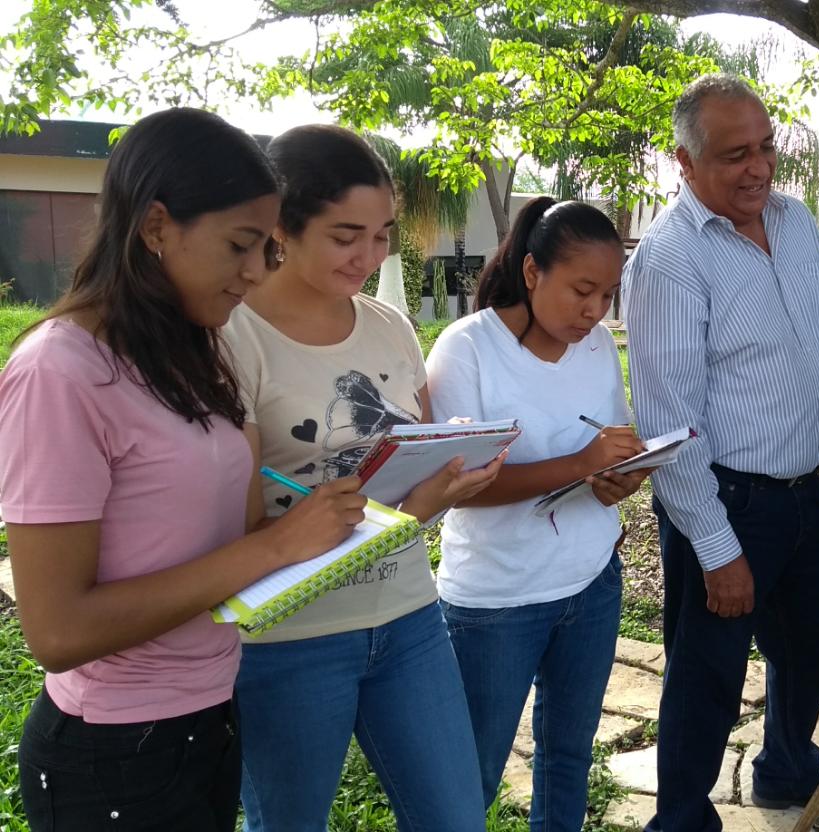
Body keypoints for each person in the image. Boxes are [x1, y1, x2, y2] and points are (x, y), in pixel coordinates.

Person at [0, 108, 367, 831]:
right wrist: (273, 547)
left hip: (209, 713)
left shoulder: (195, 351)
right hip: (111, 753)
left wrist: (354, 520)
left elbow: (216, 540)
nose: (257, 272)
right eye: (241, 245)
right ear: (157, 225)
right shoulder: (60, 372)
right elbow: (56, 629)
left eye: (267, 248)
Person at [222, 124, 501, 832]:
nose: (370, 256)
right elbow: (230, 526)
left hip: (408, 618)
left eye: (382, 234)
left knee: (456, 818)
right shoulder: (232, 337)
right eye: (346, 234)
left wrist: (440, 490)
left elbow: (414, 471)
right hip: (289, 641)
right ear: (284, 224)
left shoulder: (389, 327)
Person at [623, 73, 819, 831]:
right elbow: (669, 421)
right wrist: (714, 546)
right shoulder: (668, 261)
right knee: (708, 673)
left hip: (806, 493)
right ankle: (681, 818)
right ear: (685, 161)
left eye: (766, 147)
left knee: (815, 644)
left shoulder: (795, 222)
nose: (758, 168)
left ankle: (785, 769)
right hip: (726, 498)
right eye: (735, 155)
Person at [424, 196, 651, 832]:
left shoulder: (598, 346)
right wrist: (582, 463)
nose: (594, 311)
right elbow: (459, 485)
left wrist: (617, 479)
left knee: (569, 757)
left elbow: (606, 442)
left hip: (591, 580)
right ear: (531, 272)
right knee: (472, 771)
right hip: (497, 599)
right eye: (582, 290)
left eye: (607, 295)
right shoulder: (467, 348)